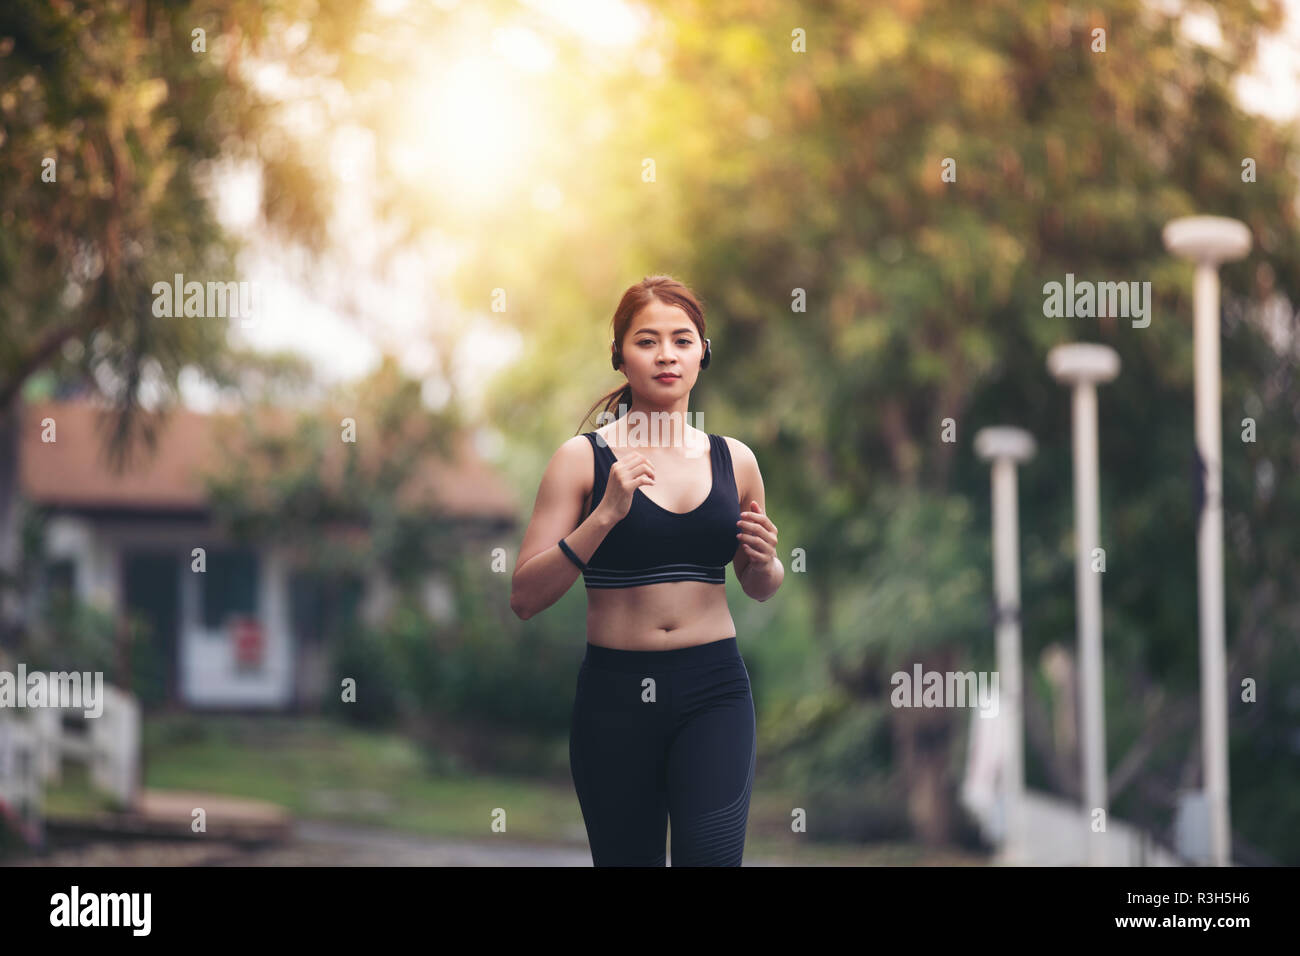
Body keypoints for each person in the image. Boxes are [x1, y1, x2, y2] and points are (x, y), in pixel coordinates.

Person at [510, 275, 784, 866]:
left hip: (713, 691)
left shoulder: (735, 460)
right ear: (620, 355)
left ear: (702, 354)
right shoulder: (581, 459)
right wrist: (604, 515)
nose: (666, 355)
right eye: (647, 340)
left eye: (682, 341)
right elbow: (525, 596)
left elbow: (758, 586)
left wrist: (766, 562)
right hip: (615, 697)